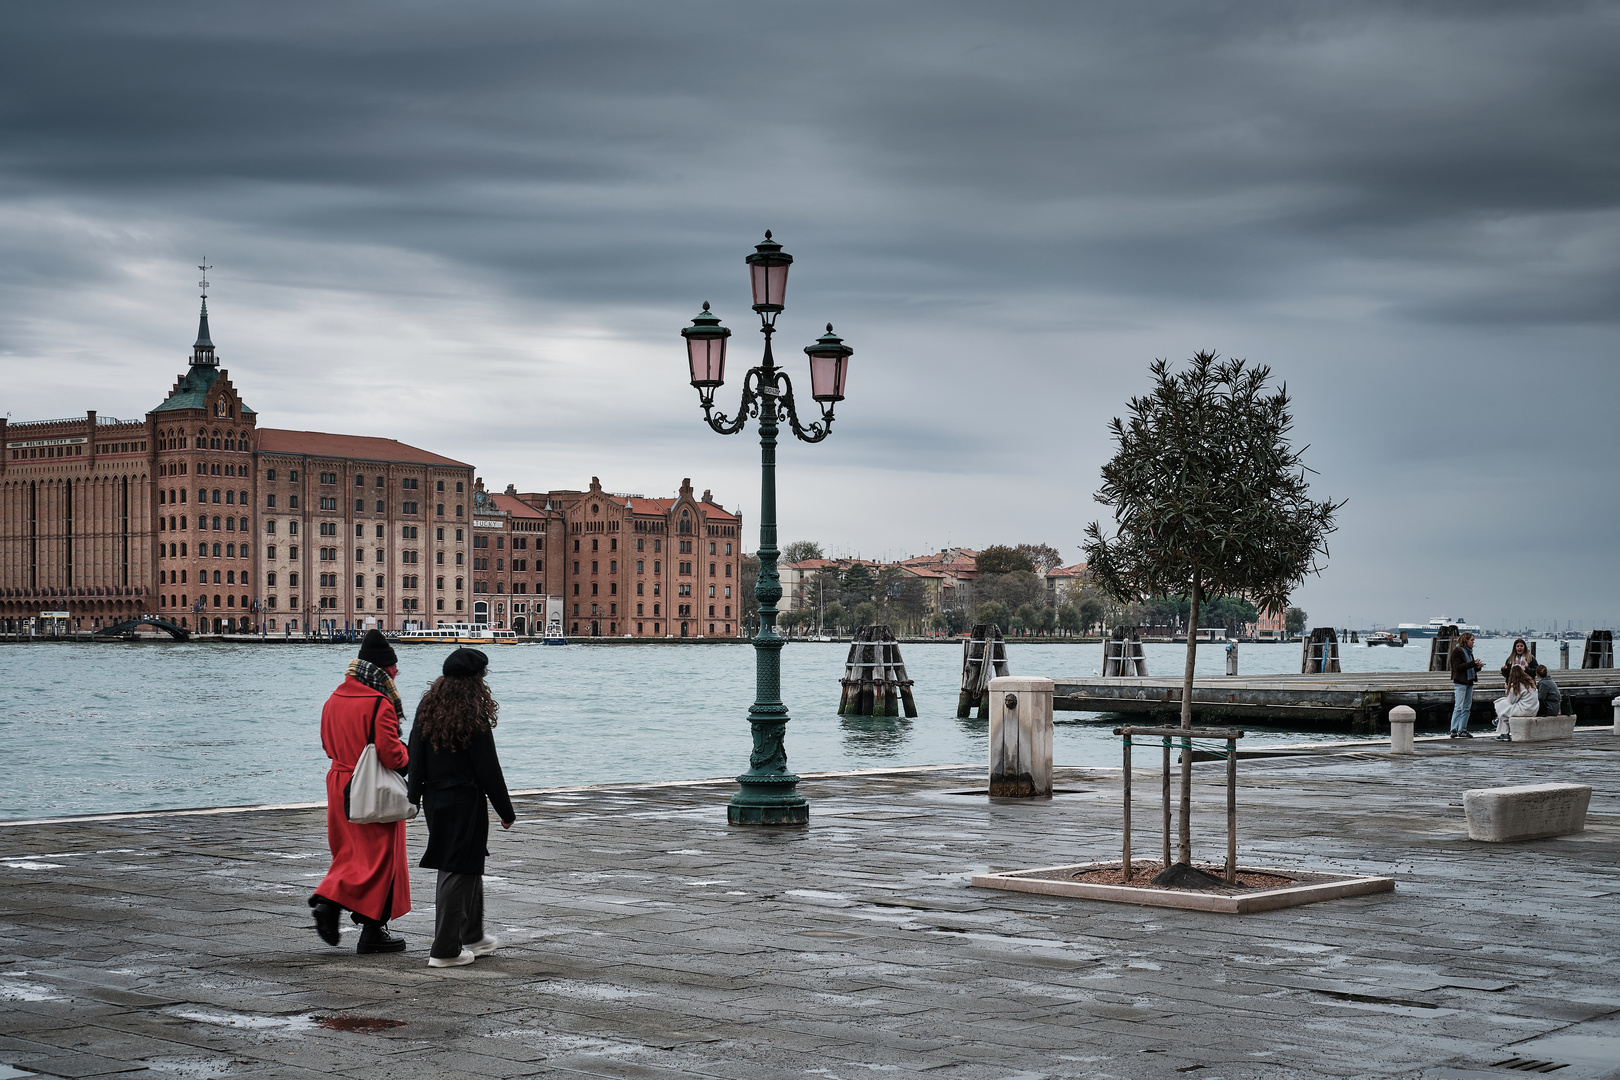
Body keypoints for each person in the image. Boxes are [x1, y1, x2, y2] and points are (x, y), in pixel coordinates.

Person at [407, 647, 515, 969]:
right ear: (475, 680)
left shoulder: (428, 706)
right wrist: (506, 811)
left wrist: (414, 797)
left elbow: (415, 754)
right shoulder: (473, 714)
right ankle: (444, 950)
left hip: (435, 799)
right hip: (465, 800)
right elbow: (488, 768)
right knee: (456, 869)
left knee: (467, 863)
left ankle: (472, 935)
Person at [309, 629, 411, 954]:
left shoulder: (332, 699)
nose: (396, 671)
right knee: (381, 860)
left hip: (339, 782)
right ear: (381, 669)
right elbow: (392, 755)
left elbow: (327, 746)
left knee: (350, 854)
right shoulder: (380, 703)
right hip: (370, 787)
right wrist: (411, 755)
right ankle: (361, 923)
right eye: (393, 666)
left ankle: (335, 907)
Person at [1448, 631, 1484, 738]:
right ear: (1465, 640)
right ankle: (1453, 729)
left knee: (1467, 707)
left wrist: (1477, 667)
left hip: (1469, 681)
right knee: (1459, 706)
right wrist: (1473, 663)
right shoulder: (1457, 651)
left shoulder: (1469, 652)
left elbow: (1470, 668)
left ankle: (1462, 729)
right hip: (1460, 682)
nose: (1473, 642)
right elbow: (1458, 667)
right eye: (1471, 640)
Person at [1493, 665, 1539, 741]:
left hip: (1524, 710)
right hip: (1532, 709)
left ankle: (1503, 731)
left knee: (1501, 703)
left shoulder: (1517, 685)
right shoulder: (1530, 683)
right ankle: (1500, 724)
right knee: (1504, 707)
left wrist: (1508, 689)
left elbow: (1511, 700)